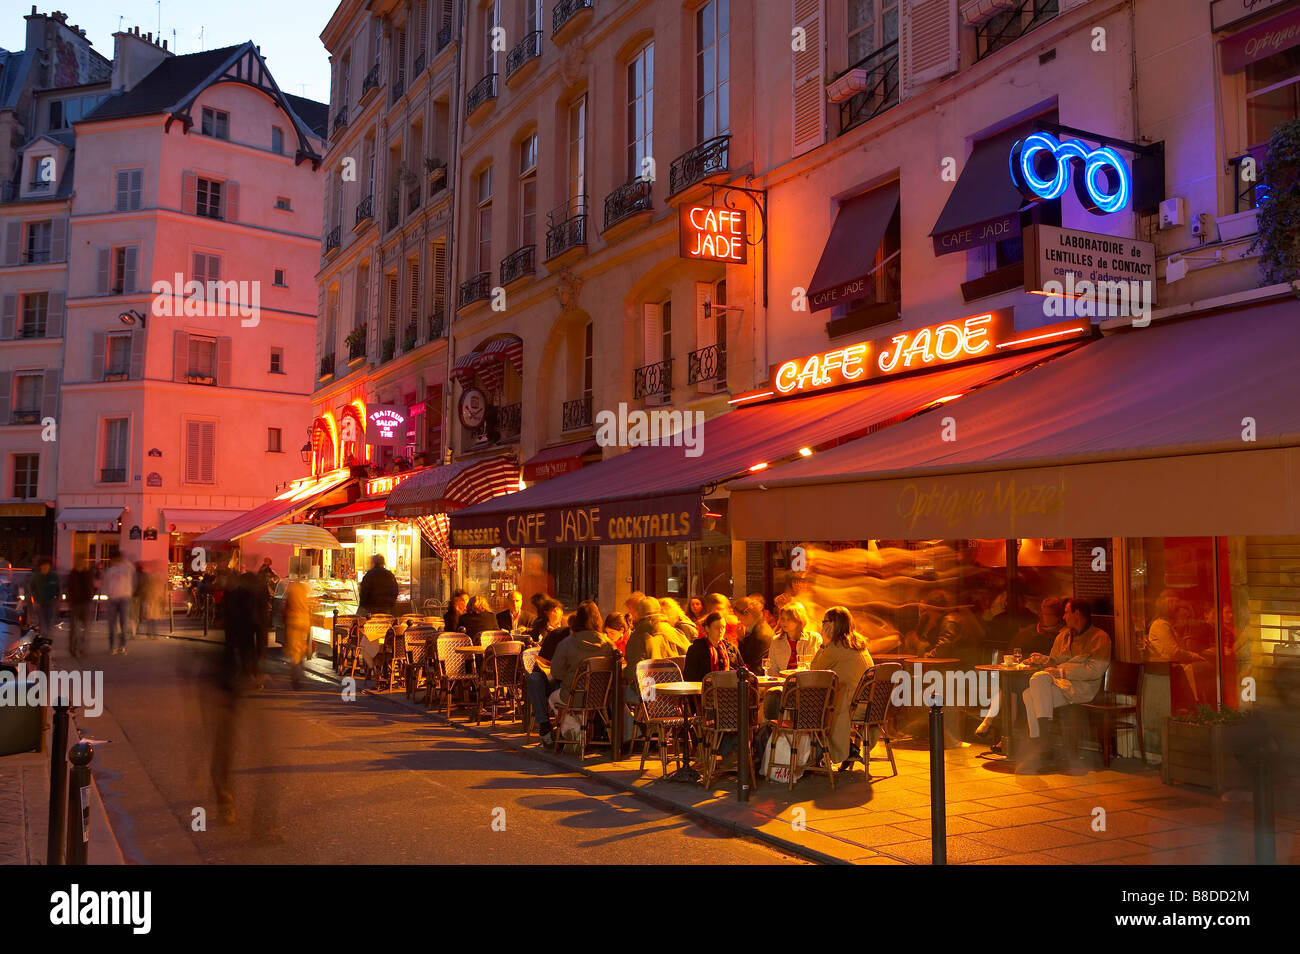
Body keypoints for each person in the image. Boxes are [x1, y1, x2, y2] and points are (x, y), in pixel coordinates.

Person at [1018, 597, 1111, 773]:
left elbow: (1094, 671)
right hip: (1062, 686)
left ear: (1077, 613)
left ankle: (1041, 744)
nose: (1064, 616)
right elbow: (1054, 661)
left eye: (1067, 612)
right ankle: (1042, 745)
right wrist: (1042, 659)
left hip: (1082, 689)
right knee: (1030, 690)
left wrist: (1062, 671)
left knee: (1032, 690)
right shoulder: (1064, 636)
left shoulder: (1100, 638)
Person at [809, 606, 874, 770]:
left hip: (850, 707)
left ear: (833, 624)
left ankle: (815, 755)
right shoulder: (858, 643)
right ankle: (848, 748)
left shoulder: (836, 646)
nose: (821, 625)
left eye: (824, 622)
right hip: (869, 705)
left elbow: (814, 668)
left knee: (813, 709)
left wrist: (824, 643)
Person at [548, 601, 614, 717]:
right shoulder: (608, 645)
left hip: (573, 696)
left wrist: (571, 677)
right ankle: (579, 725)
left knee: (552, 698)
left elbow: (556, 672)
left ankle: (572, 725)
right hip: (600, 697)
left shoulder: (566, 644)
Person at [524, 598, 567, 744]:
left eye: (558, 610)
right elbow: (540, 664)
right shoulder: (554, 635)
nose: (557, 613)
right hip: (554, 680)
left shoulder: (594, 641)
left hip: (571, 685)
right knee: (534, 678)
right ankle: (544, 725)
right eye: (554, 610)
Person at [766, 601, 823, 677]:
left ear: (799, 620)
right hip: (783, 683)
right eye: (782, 619)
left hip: (808, 682)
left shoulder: (814, 639)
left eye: (789, 619)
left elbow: (820, 666)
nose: (784, 622)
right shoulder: (776, 641)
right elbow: (772, 668)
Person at [684, 611, 740, 682]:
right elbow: (689, 677)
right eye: (717, 627)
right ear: (707, 628)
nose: (720, 631)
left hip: (730, 690)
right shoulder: (696, 649)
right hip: (705, 690)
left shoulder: (731, 648)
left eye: (723, 627)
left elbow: (741, 671)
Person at [102, 554, 135, 655]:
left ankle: (122, 646)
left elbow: (132, 569)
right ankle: (113, 646)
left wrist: (124, 560)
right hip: (113, 599)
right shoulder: (110, 571)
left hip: (124, 598)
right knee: (112, 624)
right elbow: (105, 584)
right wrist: (106, 597)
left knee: (123, 623)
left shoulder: (126, 568)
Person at [283, 578, 310, 689]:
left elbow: (286, 606)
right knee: (301, 648)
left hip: (293, 621)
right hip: (304, 621)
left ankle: (296, 677)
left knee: (295, 652)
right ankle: (299, 673)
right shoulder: (303, 589)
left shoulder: (291, 589)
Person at [66, 557, 95, 657]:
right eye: (79, 562)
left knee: (85, 627)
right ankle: (73, 648)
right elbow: (68, 588)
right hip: (75, 603)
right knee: (74, 627)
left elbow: (91, 586)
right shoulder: (72, 574)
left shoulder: (87, 574)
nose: (81, 564)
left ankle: (83, 648)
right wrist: (70, 599)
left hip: (86, 602)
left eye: (83, 562)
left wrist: (91, 596)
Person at [736, 595, 774, 672]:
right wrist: (741, 639)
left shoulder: (760, 633)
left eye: (739, 617)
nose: (739, 620)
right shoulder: (754, 628)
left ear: (747, 614)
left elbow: (752, 661)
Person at [29, 557, 60, 640]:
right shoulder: (37, 577)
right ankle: (41, 637)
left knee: (48, 621)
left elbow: (58, 589)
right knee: (41, 621)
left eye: (47, 566)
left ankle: (46, 638)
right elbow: (31, 588)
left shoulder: (53, 576)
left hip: (50, 603)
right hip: (39, 603)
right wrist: (35, 599)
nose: (45, 567)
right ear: (41, 567)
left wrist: (57, 599)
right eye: (44, 566)